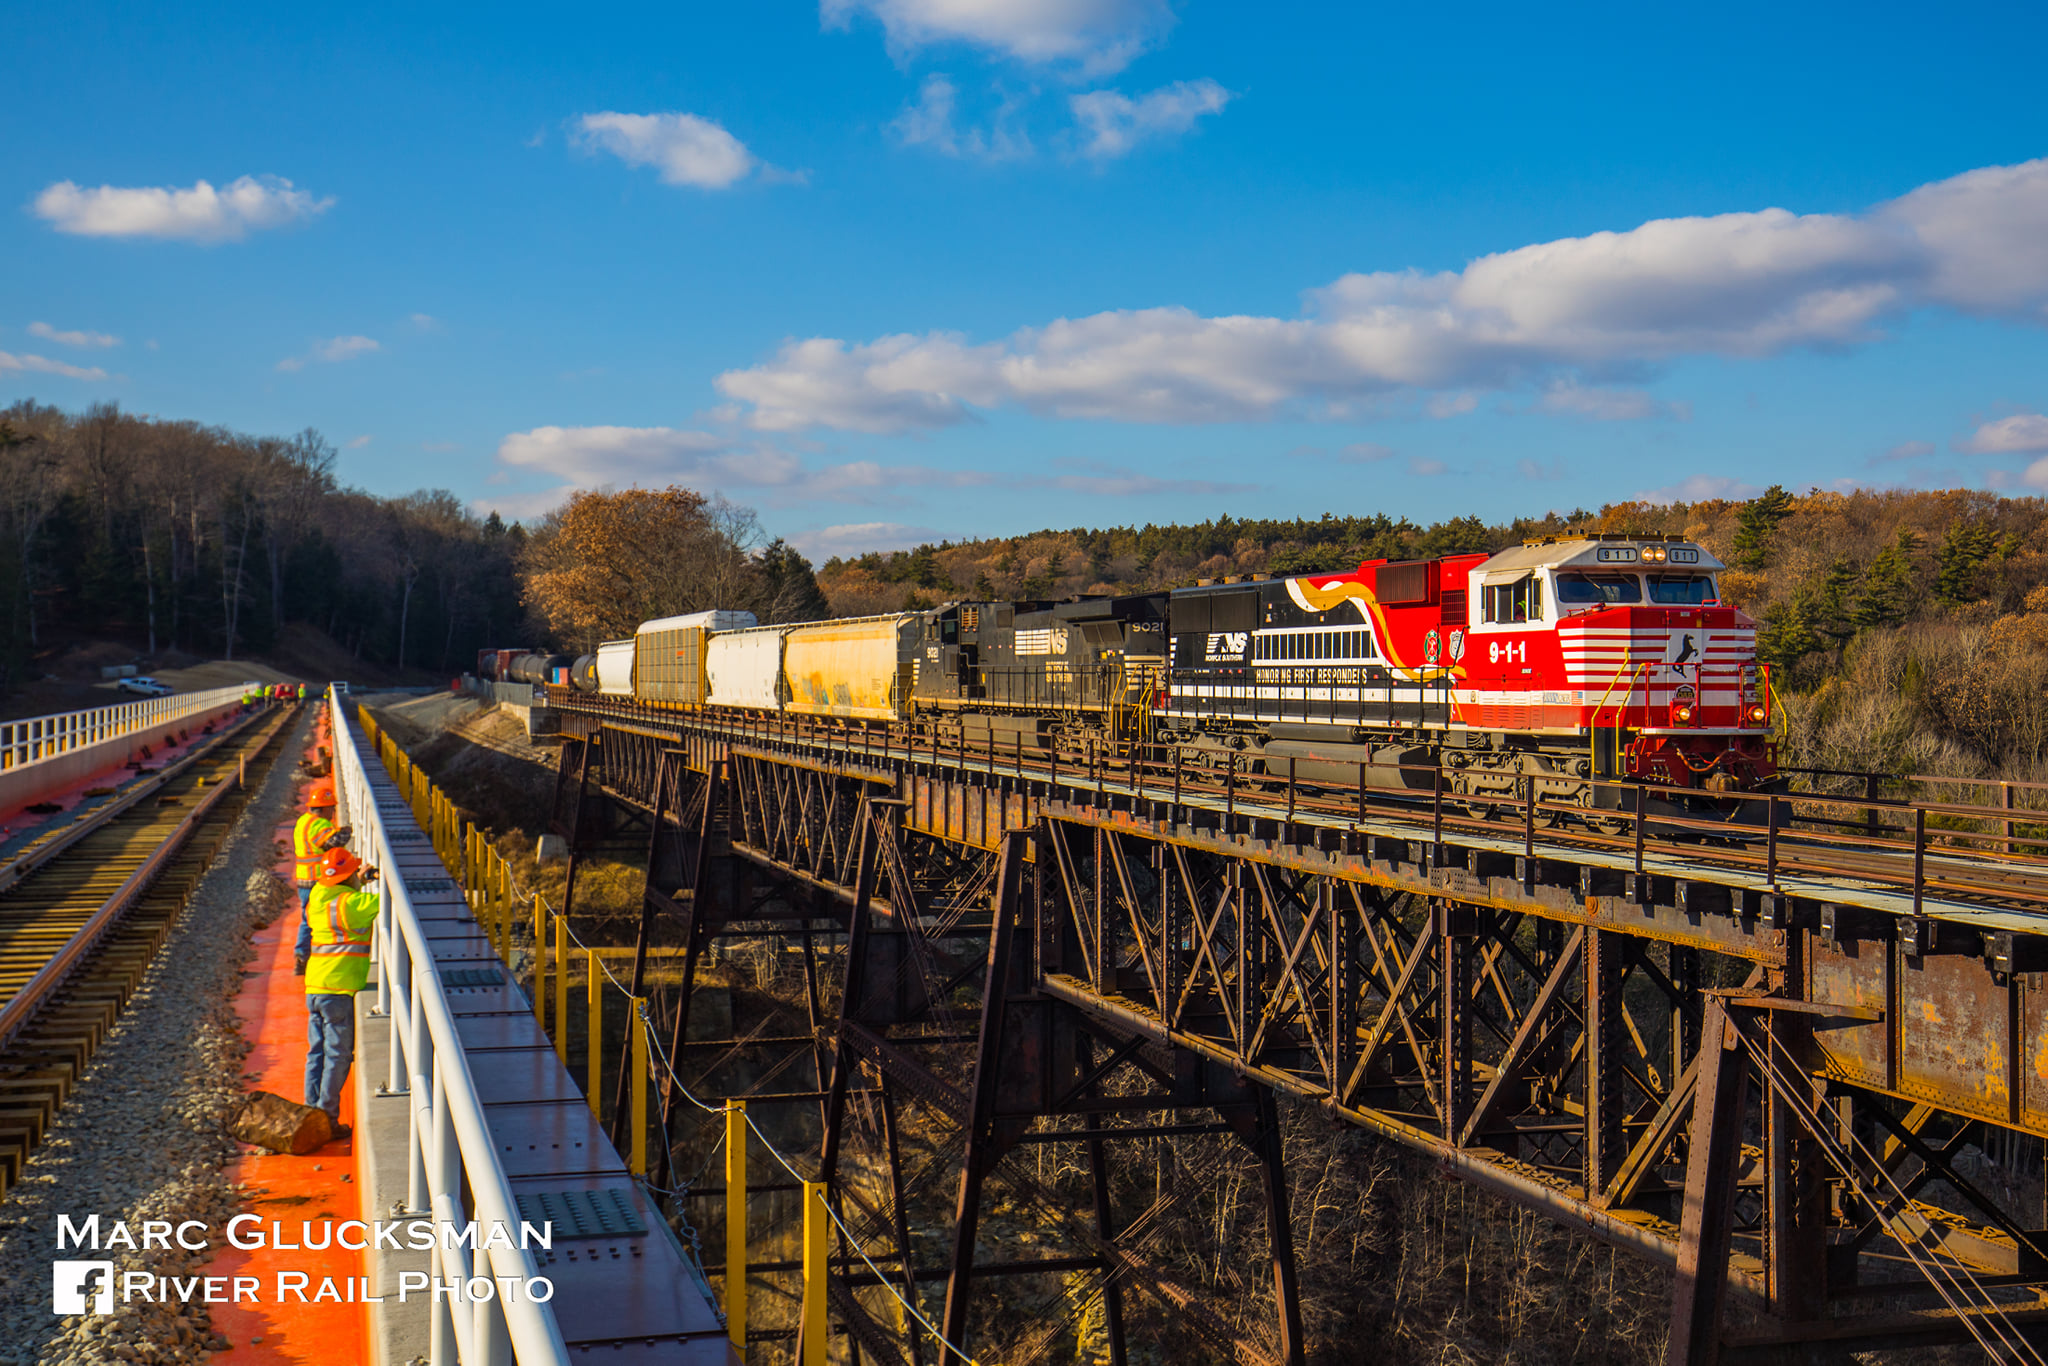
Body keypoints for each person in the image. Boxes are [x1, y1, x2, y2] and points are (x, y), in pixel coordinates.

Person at [304, 846, 381, 1137]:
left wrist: (356, 879)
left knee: (316, 1053)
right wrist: (368, 881)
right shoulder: (351, 904)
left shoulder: (317, 897)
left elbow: (344, 892)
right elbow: (381, 901)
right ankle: (326, 1119)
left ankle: (310, 1111)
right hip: (338, 990)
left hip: (314, 987)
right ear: (349, 878)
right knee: (337, 1055)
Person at [292, 782, 343, 974]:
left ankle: (301, 955)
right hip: (318, 881)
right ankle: (323, 958)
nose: (334, 813)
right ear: (325, 807)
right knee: (326, 920)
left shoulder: (303, 821)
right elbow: (332, 843)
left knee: (307, 919)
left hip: (303, 880)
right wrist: (345, 832)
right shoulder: (320, 824)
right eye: (332, 808)